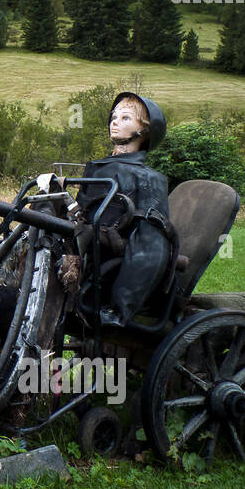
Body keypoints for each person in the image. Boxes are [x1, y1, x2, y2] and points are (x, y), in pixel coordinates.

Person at [72, 93, 177, 328]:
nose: (114, 122)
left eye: (126, 117)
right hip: (86, 256)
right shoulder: (96, 168)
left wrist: (119, 308)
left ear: (145, 131)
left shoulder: (148, 178)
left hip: (109, 274)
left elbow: (151, 246)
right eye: (114, 116)